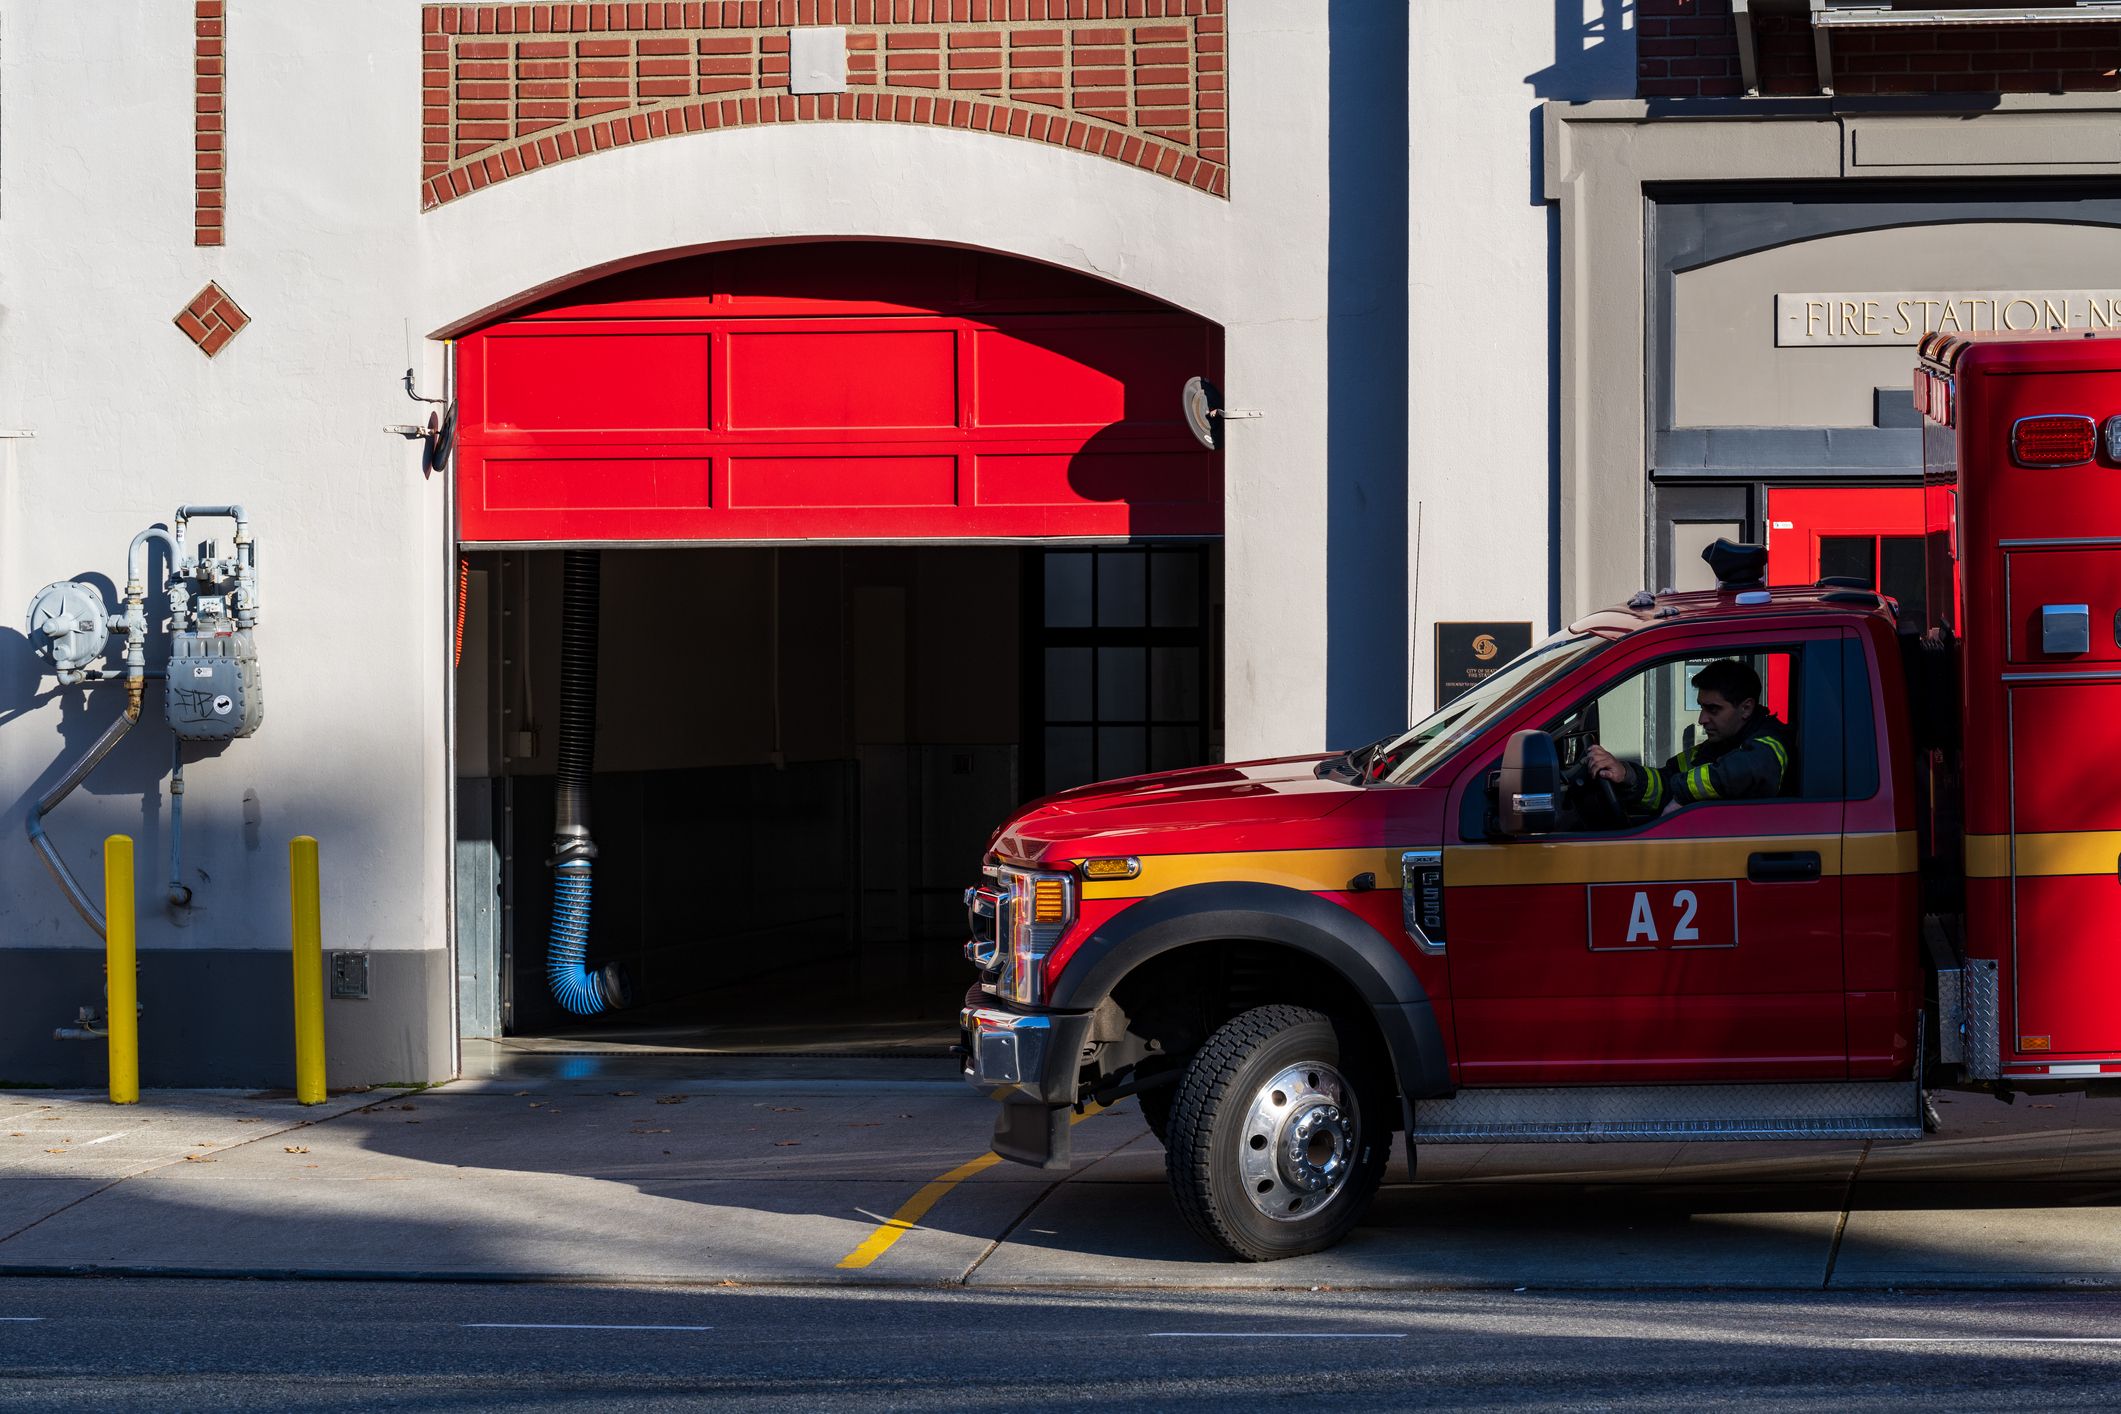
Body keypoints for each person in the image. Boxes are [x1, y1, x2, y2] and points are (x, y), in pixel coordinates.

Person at [1582, 659, 1793, 814]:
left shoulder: (1771, 744)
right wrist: (1627, 775)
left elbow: (1744, 770)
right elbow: (1667, 781)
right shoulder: (1716, 746)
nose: (1702, 719)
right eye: (1702, 707)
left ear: (1746, 708)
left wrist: (1682, 794)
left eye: (1713, 709)